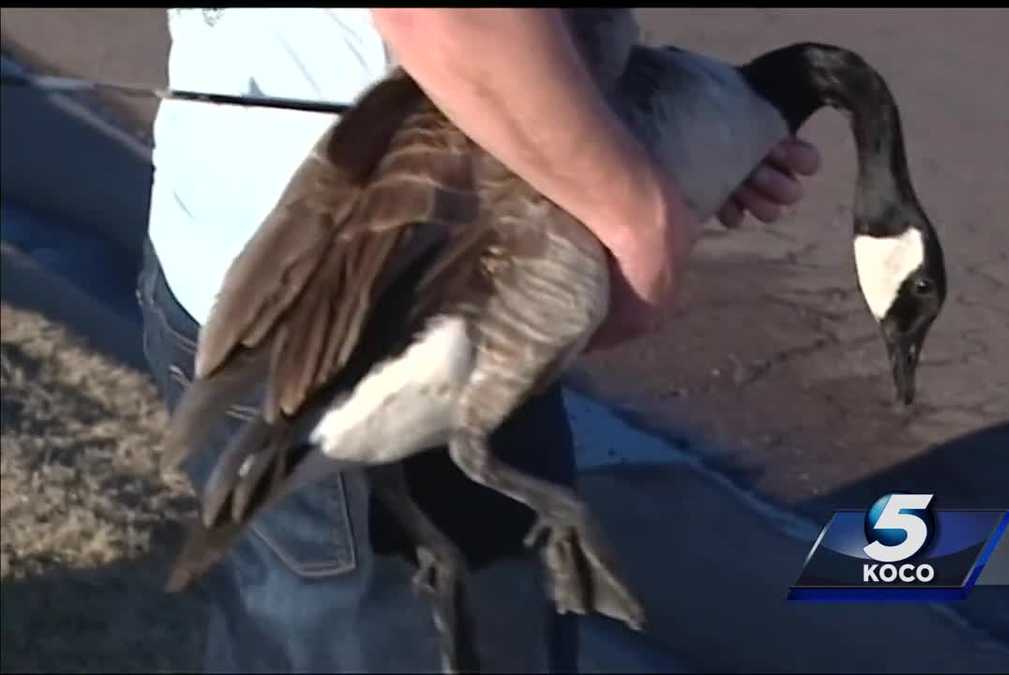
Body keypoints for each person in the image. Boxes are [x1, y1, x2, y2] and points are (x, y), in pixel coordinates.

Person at [138, 8, 820, 672]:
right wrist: (640, 216)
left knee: (281, 634)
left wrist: (661, 135)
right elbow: (448, 19)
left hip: (219, 254)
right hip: (384, 312)